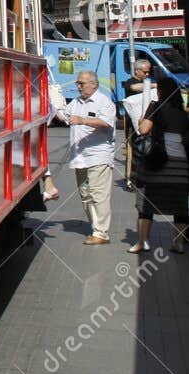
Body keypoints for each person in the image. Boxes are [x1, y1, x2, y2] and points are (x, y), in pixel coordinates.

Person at [51, 69, 116, 244]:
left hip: (98, 155)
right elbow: (63, 116)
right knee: (85, 193)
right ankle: (95, 227)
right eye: (77, 83)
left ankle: (102, 232)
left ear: (93, 84)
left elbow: (106, 123)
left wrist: (83, 120)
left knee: (98, 193)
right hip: (80, 157)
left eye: (82, 83)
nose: (78, 87)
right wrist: (51, 104)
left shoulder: (104, 102)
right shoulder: (76, 103)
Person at [129, 74, 189, 254]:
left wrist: (141, 121)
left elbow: (143, 130)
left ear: (160, 91)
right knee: (180, 206)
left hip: (158, 162)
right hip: (180, 166)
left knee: (146, 204)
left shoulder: (155, 106)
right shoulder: (184, 114)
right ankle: (178, 242)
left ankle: (142, 242)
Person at [122, 55, 156, 190]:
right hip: (132, 123)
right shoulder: (130, 82)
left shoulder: (148, 82)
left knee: (146, 149)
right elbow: (134, 87)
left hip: (147, 122)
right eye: (145, 72)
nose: (147, 74)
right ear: (137, 71)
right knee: (132, 151)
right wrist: (153, 85)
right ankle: (131, 179)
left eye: (149, 72)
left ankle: (145, 176)